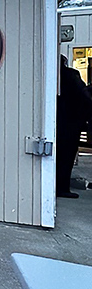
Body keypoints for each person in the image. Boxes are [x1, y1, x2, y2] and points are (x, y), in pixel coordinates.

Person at [56, 55, 92, 198]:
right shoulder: (71, 75)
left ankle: (56, 185)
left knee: (56, 155)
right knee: (67, 156)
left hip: (56, 120)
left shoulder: (50, 75)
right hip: (71, 121)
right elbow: (84, 96)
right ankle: (62, 188)